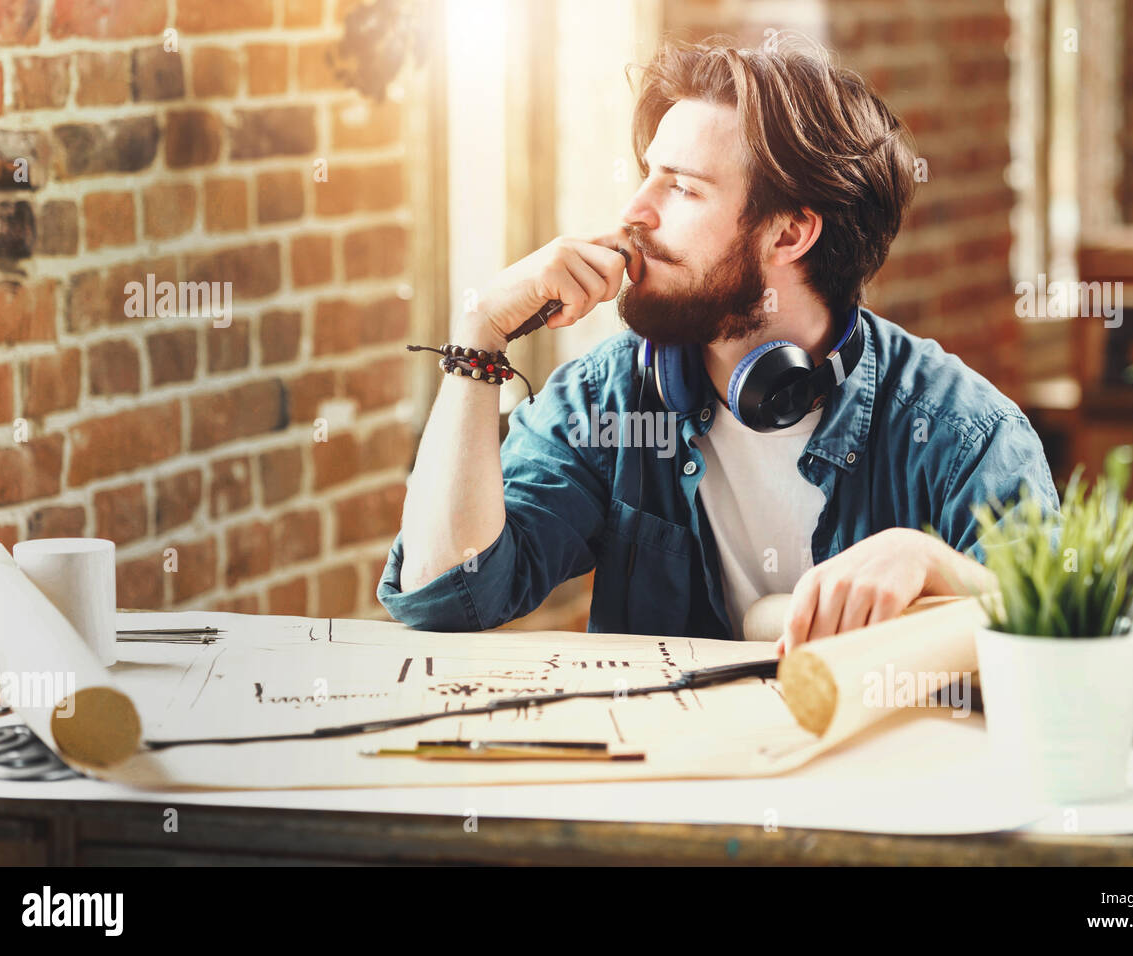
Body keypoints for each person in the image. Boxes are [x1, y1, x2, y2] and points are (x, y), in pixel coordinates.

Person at [378, 36, 1058, 653]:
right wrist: (479, 336)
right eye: (648, 173)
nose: (634, 212)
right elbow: (449, 599)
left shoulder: (962, 431)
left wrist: (935, 565)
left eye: (682, 187)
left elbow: (1060, 646)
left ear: (790, 234)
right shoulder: (606, 401)